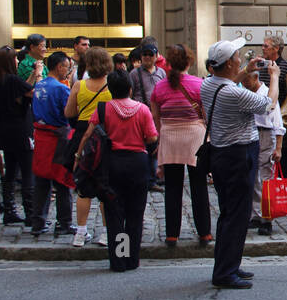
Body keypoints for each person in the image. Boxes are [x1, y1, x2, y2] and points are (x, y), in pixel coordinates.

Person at [201, 38, 279, 288]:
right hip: (239, 155)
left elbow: (226, 82)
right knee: (238, 216)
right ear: (228, 64)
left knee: (228, 213)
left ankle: (229, 265)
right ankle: (225, 273)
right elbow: (269, 105)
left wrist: (246, 70)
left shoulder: (208, 85)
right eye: (237, 56)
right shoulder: (235, 94)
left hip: (222, 154)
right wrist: (273, 76)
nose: (240, 58)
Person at [76, 70, 157, 272]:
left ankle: (119, 259)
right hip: (137, 163)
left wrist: (78, 158)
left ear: (110, 90)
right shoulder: (142, 109)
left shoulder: (103, 109)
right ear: (130, 89)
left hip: (111, 164)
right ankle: (132, 259)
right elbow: (151, 137)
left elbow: (87, 134)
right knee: (135, 213)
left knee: (114, 214)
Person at [150, 44, 212, 248]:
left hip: (170, 138)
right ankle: (204, 233)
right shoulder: (199, 84)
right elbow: (206, 115)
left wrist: (160, 140)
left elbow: (156, 119)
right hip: (194, 137)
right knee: (199, 187)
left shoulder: (159, 87)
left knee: (173, 188)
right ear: (189, 62)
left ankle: (172, 234)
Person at [64, 46, 114, 247]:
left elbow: (68, 113)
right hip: (105, 135)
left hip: (83, 136)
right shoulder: (112, 86)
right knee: (105, 188)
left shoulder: (79, 86)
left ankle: (81, 232)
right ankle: (105, 233)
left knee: (82, 187)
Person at [30, 52, 77, 237]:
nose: (68, 71)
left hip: (41, 138)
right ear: (59, 67)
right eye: (67, 67)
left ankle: (38, 222)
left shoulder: (39, 85)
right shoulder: (62, 89)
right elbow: (69, 113)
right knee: (63, 182)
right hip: (58, 138)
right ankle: (64, 222)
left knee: (42, 182)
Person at [0, 45, 37, 224]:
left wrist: (32, 76)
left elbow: (24, 90)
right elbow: (31, 92)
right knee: (27, 171)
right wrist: (37, 75)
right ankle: (31, 213)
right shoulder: (12, 80)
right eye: (15, 59)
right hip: (20, 129)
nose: (17, 61)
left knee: (10, 170)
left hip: (5, 129)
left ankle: (9, 210)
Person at [247, 58, 285, 236]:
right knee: (253, 177)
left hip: (265, 134)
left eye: (247, 81)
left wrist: (278, 148)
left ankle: (266, 218)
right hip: (251, 135)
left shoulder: (269, 93)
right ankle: (256, 214)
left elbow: (277, 122)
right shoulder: (246, 93)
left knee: (265, 178)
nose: (244, 84)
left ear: (255, 79)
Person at [258, 35, 287, 195]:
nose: (263, 48)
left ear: (276, 49)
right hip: (261, 115)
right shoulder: (261, 66)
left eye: (266, 46)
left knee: (285, 154)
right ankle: (266, 186)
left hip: (279, 115)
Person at [130, 44, 167, 193]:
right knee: (144, 147)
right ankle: (146, 178)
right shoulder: (134, 73)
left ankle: (155, 177)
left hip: (158, 114)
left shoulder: (161, 73)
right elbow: (131, 94)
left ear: (156, 56)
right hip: (141, 113)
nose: (147, 57)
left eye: (150, 55)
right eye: (144, 55)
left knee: (156, 147)